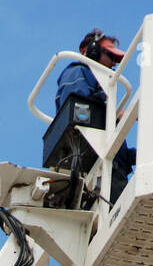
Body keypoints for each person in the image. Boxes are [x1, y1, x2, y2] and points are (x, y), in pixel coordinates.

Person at [54, 30, 136, 203]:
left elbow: (118, 154)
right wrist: (115, 114)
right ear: (92, 51)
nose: (113, 63)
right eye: (110, 56)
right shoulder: (77, 72)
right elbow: (79, 112)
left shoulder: (105, 98)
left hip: (113, 174)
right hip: (96, 174)